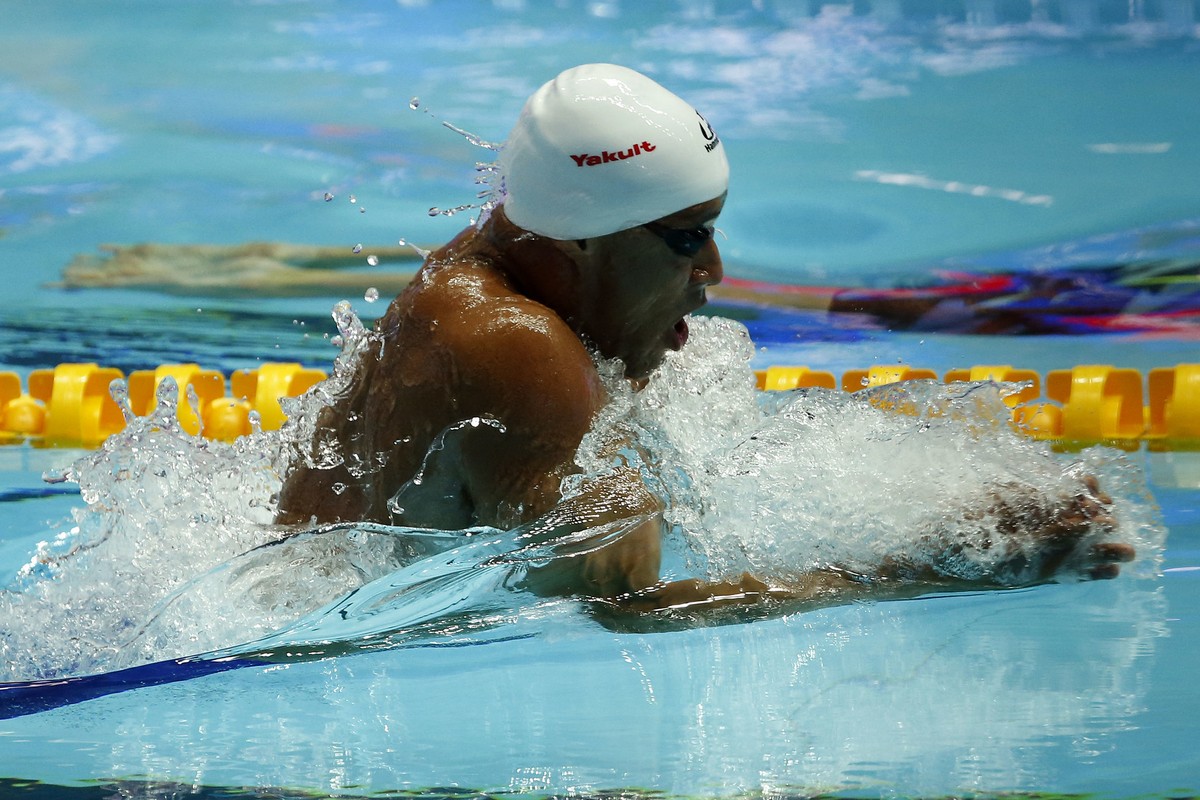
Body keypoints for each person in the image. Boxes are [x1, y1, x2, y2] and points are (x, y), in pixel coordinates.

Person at [276, 64, 1133, 617]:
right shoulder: (514, 344)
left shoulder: (494, 266)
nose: (714, 270)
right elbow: (631, 608)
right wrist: (946, 562)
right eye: (687, 238)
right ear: (580, 245)